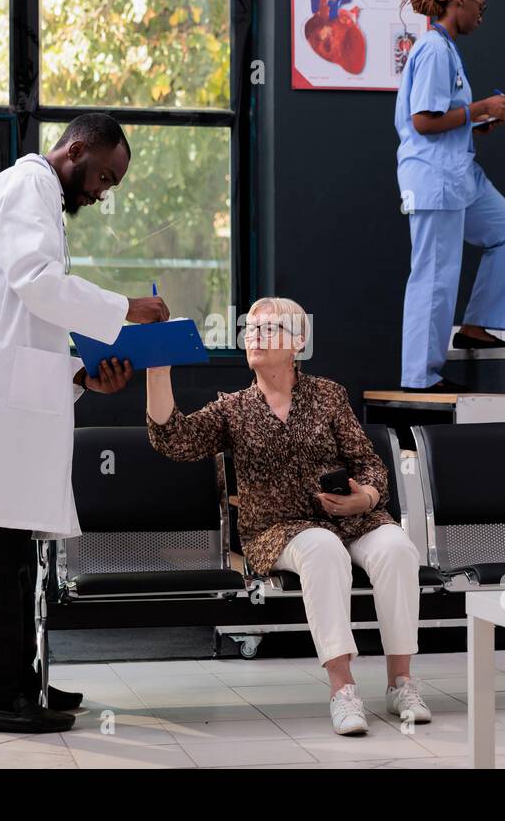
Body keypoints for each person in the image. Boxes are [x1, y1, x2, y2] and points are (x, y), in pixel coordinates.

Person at [0, 113, 169, 734]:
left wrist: (82, 375)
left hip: (9, 408)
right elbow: (37, 284)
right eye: (103, 175)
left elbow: (25, 326)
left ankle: (20, 682)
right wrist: (126, 307)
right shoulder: (26, 189)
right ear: (74, 150)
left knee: (15, 555)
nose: (102, 191)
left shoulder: (39, 201)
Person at [145, 297, 431, 736]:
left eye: (270, 328)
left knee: (397, 547)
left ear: (298, 342)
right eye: (251, 329)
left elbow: (370, 464)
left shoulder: (329, 395)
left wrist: (367, 496)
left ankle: (401, 682)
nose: (255, 335)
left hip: (351, 518)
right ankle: (343, 688)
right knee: (322, 549)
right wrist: (157, 370)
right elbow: (174, 440)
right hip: (279, 529)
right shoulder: (233, 408)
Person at [396, 0, 505, 393]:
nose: (481, 17)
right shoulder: (434, 49)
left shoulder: (447, 49)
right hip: (435, 178)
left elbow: (444, 118)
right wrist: (480, 109)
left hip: (459, 175)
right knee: (434, 276)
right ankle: (420, 378)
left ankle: (476, 326)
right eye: (480, 8)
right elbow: (422, 121)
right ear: (458, 2)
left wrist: (479, 122)